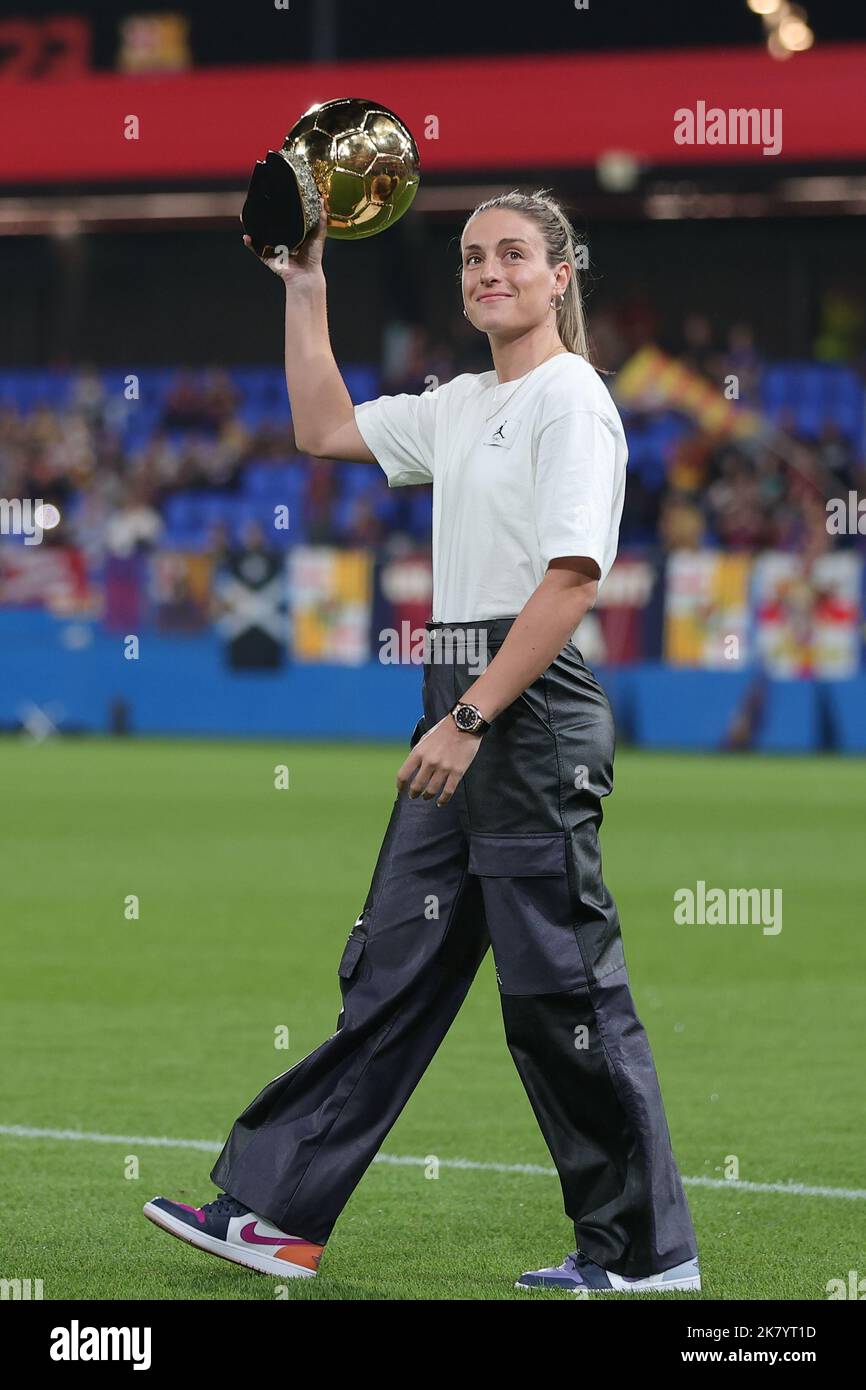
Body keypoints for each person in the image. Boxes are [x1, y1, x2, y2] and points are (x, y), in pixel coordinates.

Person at [144, 190, 701, 1295]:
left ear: (558, 275)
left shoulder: (571, 399)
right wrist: (306, 283)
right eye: (468, 257)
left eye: (509, 254)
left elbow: (571, 580)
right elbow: (320, 426)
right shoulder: (459, 404)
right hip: (465, 691)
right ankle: (272, 1214)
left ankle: (643, 1254)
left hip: (520, 709)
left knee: (560, 993)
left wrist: (468, 715)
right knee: (391, 965)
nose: (486, 270)